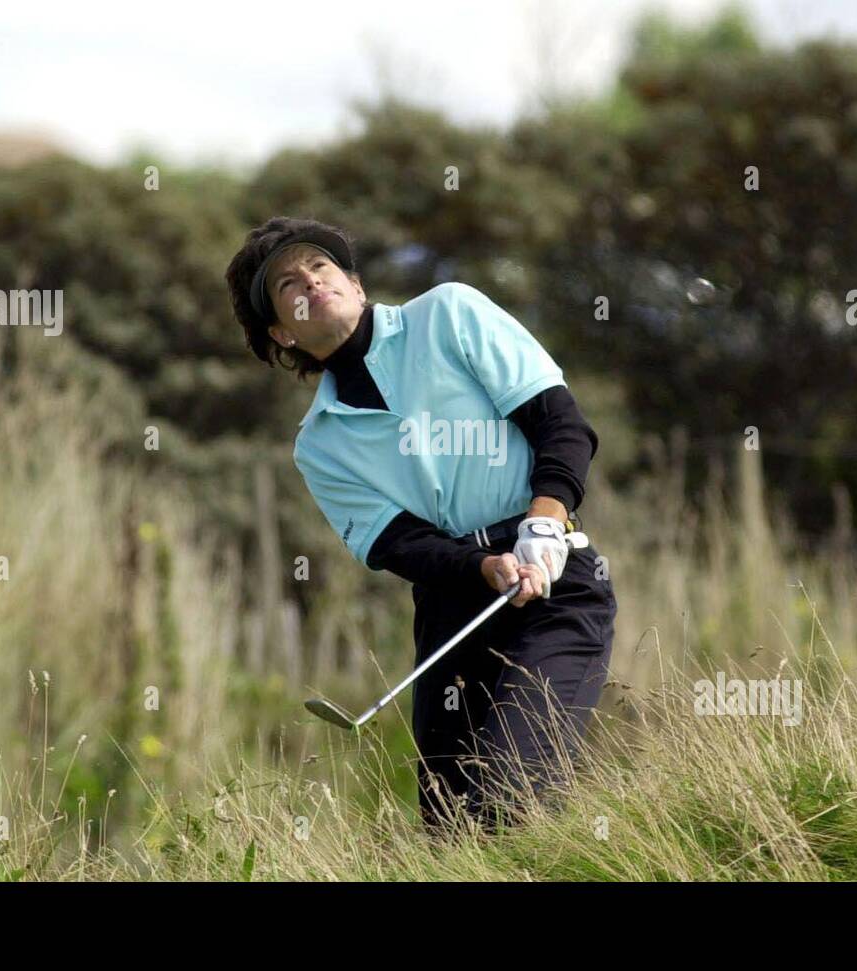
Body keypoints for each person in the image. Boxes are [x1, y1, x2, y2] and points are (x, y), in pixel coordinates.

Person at [225, 216, 617, 834]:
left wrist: (543, 522)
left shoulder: (450, 313)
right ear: (281, 332)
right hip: (453, 608)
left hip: (554, 583)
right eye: (287, 286)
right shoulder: (319, 445)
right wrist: (483, 567)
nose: (309, 282)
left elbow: (561, 424)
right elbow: (397, 543)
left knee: (511, 786)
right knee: (450, 828)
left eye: (319, 267)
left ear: (354, 283)